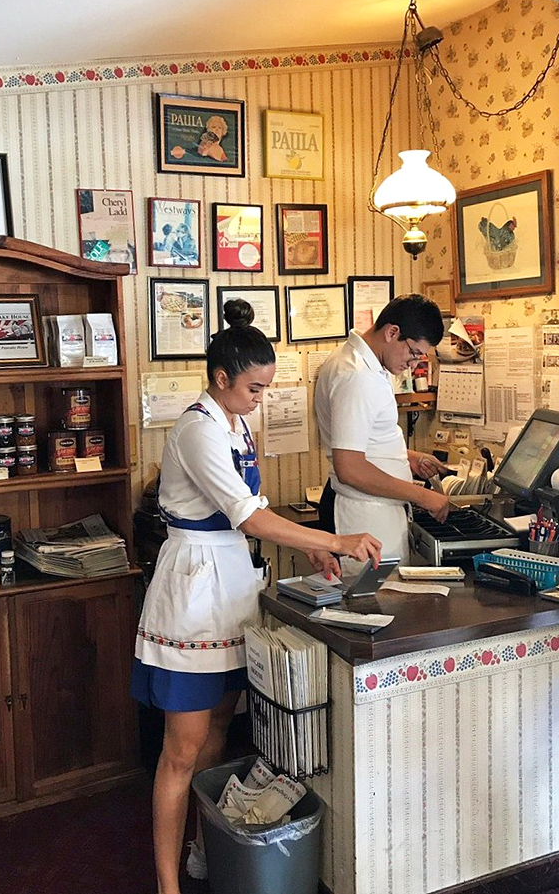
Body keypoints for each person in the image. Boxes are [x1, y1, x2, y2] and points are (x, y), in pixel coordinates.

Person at [132, 300, 381, 894]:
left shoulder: (236, 422)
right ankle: (167, 884)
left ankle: (204, 849)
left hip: (233, 585)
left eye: (266, 389)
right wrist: (333, 539)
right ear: (221, 378)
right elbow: (246, 515)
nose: (260, 400)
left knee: (222, 727)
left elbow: (255, 510)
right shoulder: (197, 428)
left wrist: (310, 549)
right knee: (182, 750)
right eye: (253, 389)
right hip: (193, 591)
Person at [314, 293, 450, 566]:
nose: (413, 365)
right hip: (363, 512)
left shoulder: (362, 363)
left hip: (373, 508)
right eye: (414, 353)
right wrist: (424, 496)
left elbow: (361, 441)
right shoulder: (357, 376)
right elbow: (349, 468)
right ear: (392, 332)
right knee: (375, 593)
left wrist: (408, 457)